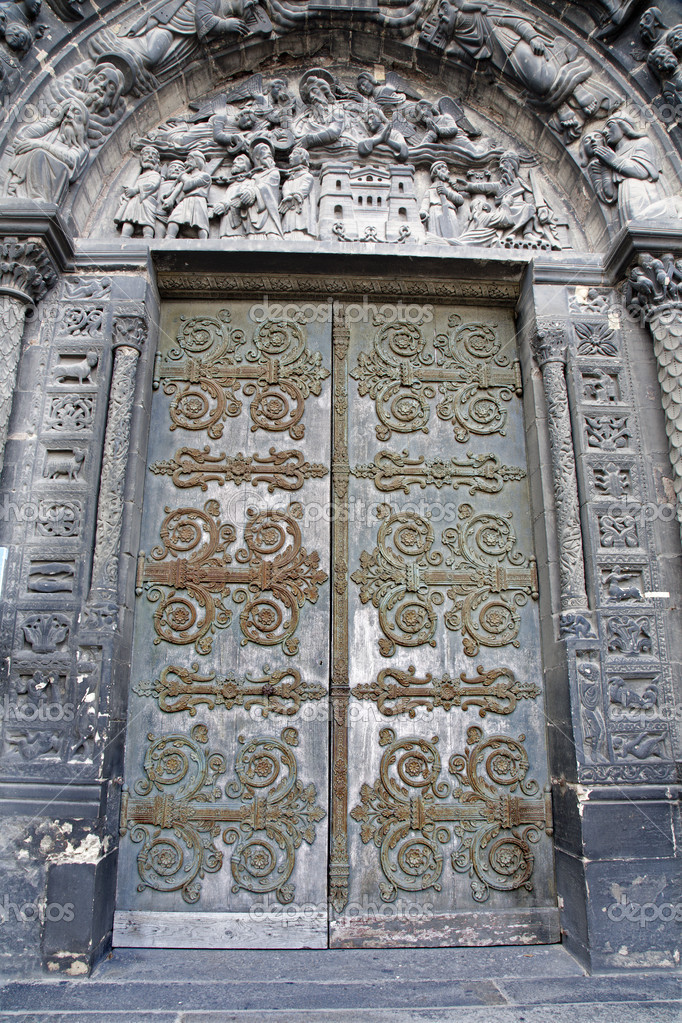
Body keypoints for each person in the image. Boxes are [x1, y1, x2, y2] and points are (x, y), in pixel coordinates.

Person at [590, 115, 681, 221]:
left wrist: (614, 161)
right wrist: (605, 168)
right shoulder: (613, 154)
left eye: (610, 125)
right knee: (635, 223)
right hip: (627, 193)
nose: (605, 131)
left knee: (640, 220)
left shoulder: (642, 142)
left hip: (645, 190)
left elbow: (642, 171)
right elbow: (610, 194)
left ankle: (674, 204)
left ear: (624, 126)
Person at [6, 98, 90, 202]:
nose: (69, 115)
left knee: (39, 154)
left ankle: (38, 196)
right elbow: (23, 136)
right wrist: (53, 120)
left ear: (83, 121)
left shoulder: (82, 148)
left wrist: (41, 145)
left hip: (53, 182)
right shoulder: (52, 134)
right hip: (28, 175)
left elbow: (72, 159)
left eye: (76, 112)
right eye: (67, 112)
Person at [163, 149, 212, 238]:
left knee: (200, 223)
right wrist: (170, 198)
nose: (186, 163)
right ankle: (169, 237)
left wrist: (183, 176)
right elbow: (179, 190)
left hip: (198, 201)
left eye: (189, 160)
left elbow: (188, 185)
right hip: (185, 200)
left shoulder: (205, 176)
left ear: (197, 161)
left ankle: (203, 241)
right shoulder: (187, 176)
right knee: (174, 217)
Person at [115, 146, 162, 237]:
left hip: (146, 202)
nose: (150, 157)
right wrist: (125, 195)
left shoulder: (155, 174)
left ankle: (148, 238)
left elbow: (152, 185)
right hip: (134, 201)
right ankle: (124, 237)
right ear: (141, 158)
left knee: (147, 222)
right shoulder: (137, 177)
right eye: (146, 154)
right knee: (128, 219)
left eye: (153, 155)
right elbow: (129, 189)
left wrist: (135, 190)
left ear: (157, 161)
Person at [419, 161, 464, 238]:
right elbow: (425, 204)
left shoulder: (449, 188)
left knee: (453, 235)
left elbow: (460, 200)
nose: (448, 172)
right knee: (436, 235)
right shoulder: (430, 190)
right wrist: (423, 212)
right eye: (445, 170)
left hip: (450, 212)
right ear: (437, 171)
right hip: (435, 212)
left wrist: (447, 193)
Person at [279, 147, 315, 237]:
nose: (290, 156)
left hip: (299, 207)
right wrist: (287, 196)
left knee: (299, 221)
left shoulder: (307, 176)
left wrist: (294, 197)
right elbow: (285, 188)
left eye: (294, 154)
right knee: (289, 220)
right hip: (288, 206)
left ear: (302, 158)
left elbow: (304, 190)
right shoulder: (290, 178)